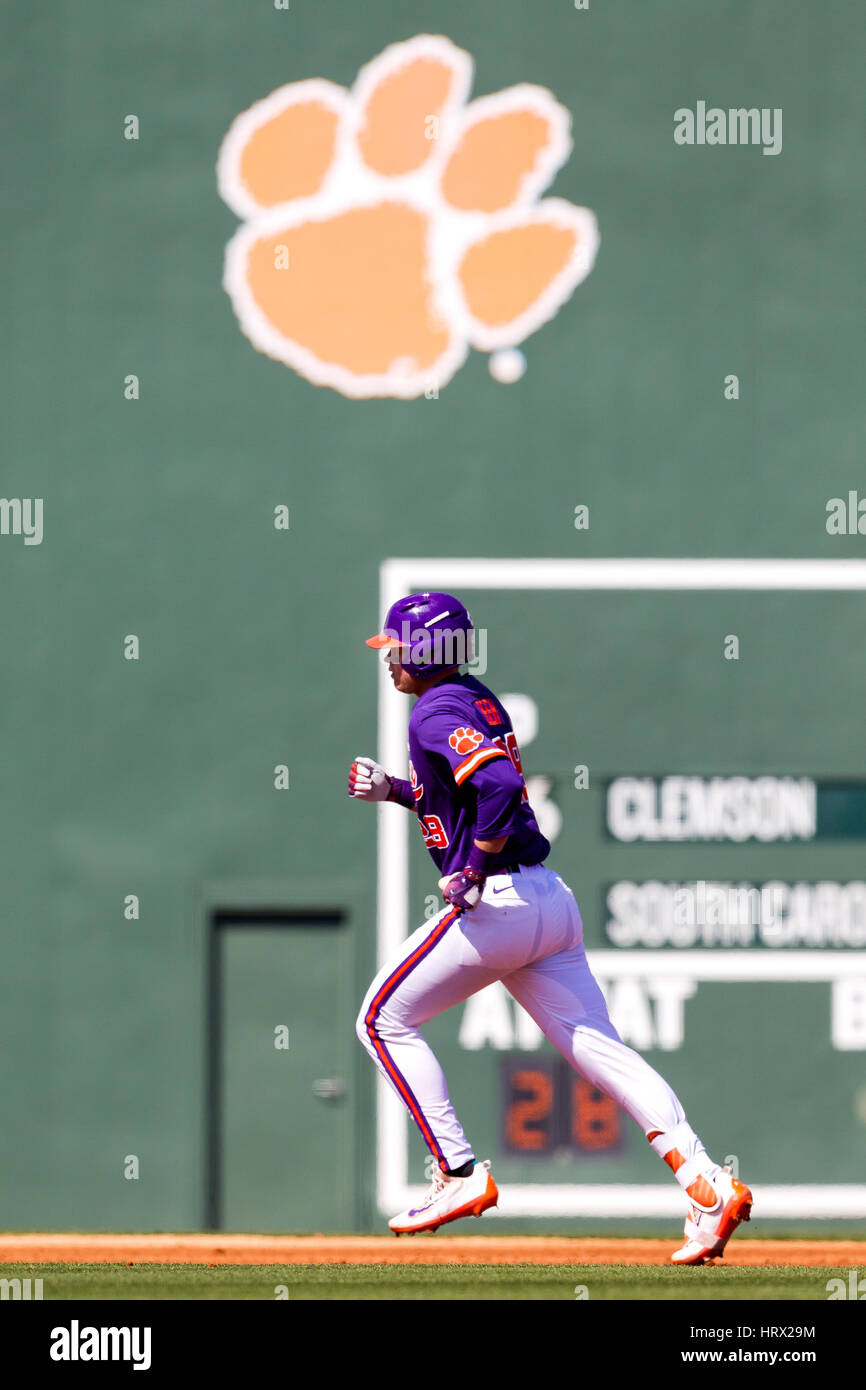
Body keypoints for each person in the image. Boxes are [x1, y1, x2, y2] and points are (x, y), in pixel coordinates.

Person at [349, 591, 752, 1263]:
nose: (387, 659)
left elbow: (501, 787)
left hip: (499, 902)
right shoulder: (475, 698)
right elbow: (464, 789)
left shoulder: (434, 709)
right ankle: (705, 1184)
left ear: (422, 647)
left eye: (394, 647)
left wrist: (471, 868)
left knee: (381, 1019)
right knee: (601, 1049)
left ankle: (457, 1173)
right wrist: (396, 789)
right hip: (549, 903)